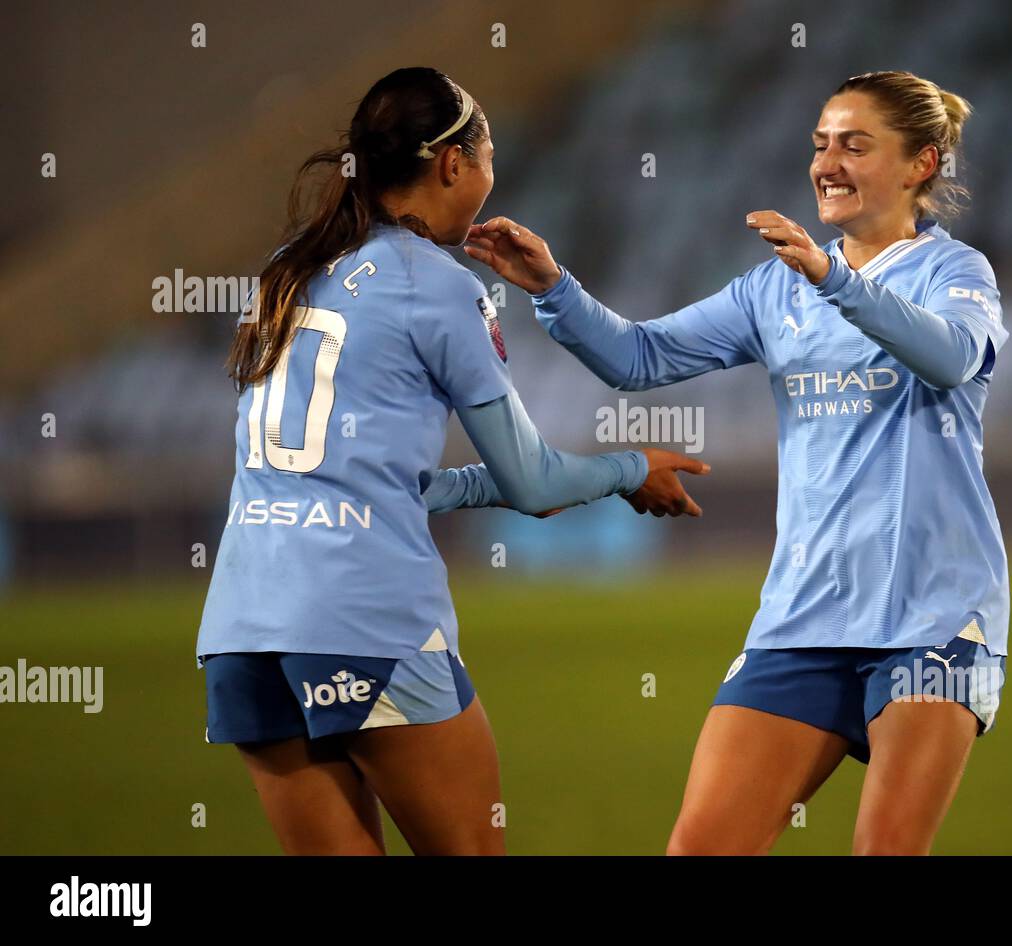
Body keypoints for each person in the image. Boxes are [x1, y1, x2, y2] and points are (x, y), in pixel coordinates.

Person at [465, 70, 1009, 855]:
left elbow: (953, 358)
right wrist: (554, 288)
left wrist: (835, 280)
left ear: (921, 164)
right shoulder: (772, 290)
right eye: (821, 144)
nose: (827, 163)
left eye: (855, 145)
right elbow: (639, 357)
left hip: (932, 617)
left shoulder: (954, 274)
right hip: (803, 617)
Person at [196, 67, 707, 855]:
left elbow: (380, 482)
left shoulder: (289, 265)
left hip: (242, 627)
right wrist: (629, 468)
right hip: (364, 617)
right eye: (490, 154)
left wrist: (495, 486)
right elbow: (535, 485)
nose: (492, 173)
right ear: (451, 165)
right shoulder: (437, 286)